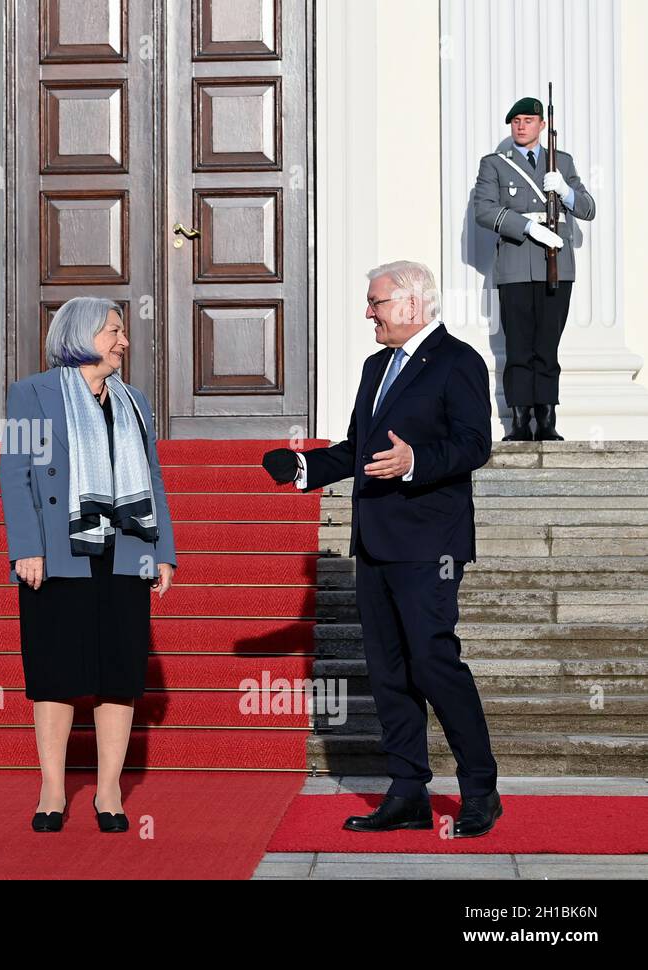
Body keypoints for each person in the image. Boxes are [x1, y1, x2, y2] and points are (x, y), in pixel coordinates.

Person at [263, 261, 502, 838]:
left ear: (411, 304)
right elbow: (359, 449)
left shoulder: (458, 360)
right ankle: (407, 794)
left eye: (375, 302)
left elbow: (474, 445)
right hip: (373, 543)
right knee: (388, 672)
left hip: (429, 545)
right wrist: (302, 467)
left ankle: (480, 790)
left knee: (434, 663)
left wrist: (416, 461)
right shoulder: (376, 367)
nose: (367, 312)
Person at [0, 297, 176, 834]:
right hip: (57, 555)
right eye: (113, 332)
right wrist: (26, 546)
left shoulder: (135, 401)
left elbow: (153, 477)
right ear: (80, 335)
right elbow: (15, 474)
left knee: (117, 674)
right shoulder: (30, 394)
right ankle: (53, 786)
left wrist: (162, 550)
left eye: (121, 331)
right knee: (55, 672)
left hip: (125, 551)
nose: (123, 341)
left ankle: (108, 790)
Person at [473, 95, 596, 442]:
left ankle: (546, 419)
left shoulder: (563, 162)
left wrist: (567, 192)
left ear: (542, 125)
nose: (522, 126)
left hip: (557, 266)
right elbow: (484, 210)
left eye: (529, 120)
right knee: (519, 347)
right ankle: (520, 421)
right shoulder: (495, 164)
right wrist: (526, 227)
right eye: (516, 121)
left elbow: (588, 208)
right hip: (515, 267)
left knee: (547, 346)